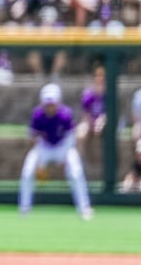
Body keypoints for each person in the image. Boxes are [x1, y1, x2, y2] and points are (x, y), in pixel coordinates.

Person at [18, 84, 95, 220]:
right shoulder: (38, 114)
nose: (50, 107)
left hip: (63, 147)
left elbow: (71, 137)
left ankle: (84, 208)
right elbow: (33, 137)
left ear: (58, 102)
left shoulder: (65, 114)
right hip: (44, 147)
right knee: (27, 171)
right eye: (47, 104)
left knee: (76, 171)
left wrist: (64, 157)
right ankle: (24, 209)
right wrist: (40, 163)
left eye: (52, 103)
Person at [76, 65, 107, 161]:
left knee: (100, 127)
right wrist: (91, 122)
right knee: (80, 133)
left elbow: (109, 113)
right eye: (97, 77)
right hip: (89, 121)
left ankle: (105, 160)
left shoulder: (108, 94)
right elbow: (85, 114)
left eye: (102, 78)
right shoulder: (88, 94)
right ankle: (78, 161)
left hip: (103, 122)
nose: (99, 80)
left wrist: (101, 120)